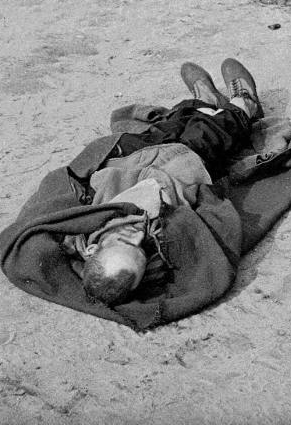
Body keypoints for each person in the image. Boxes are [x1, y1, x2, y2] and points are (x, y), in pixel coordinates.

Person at [67, 59, 262, 307]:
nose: (137, 238)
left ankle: (205, 102)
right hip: (184, 168)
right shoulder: (156, 242)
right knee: (210, 134)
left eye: (124, 241)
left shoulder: (82, 229)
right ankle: (245, 104)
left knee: (170, 125)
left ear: (91, 250)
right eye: (140, 252)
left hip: (139, 159)